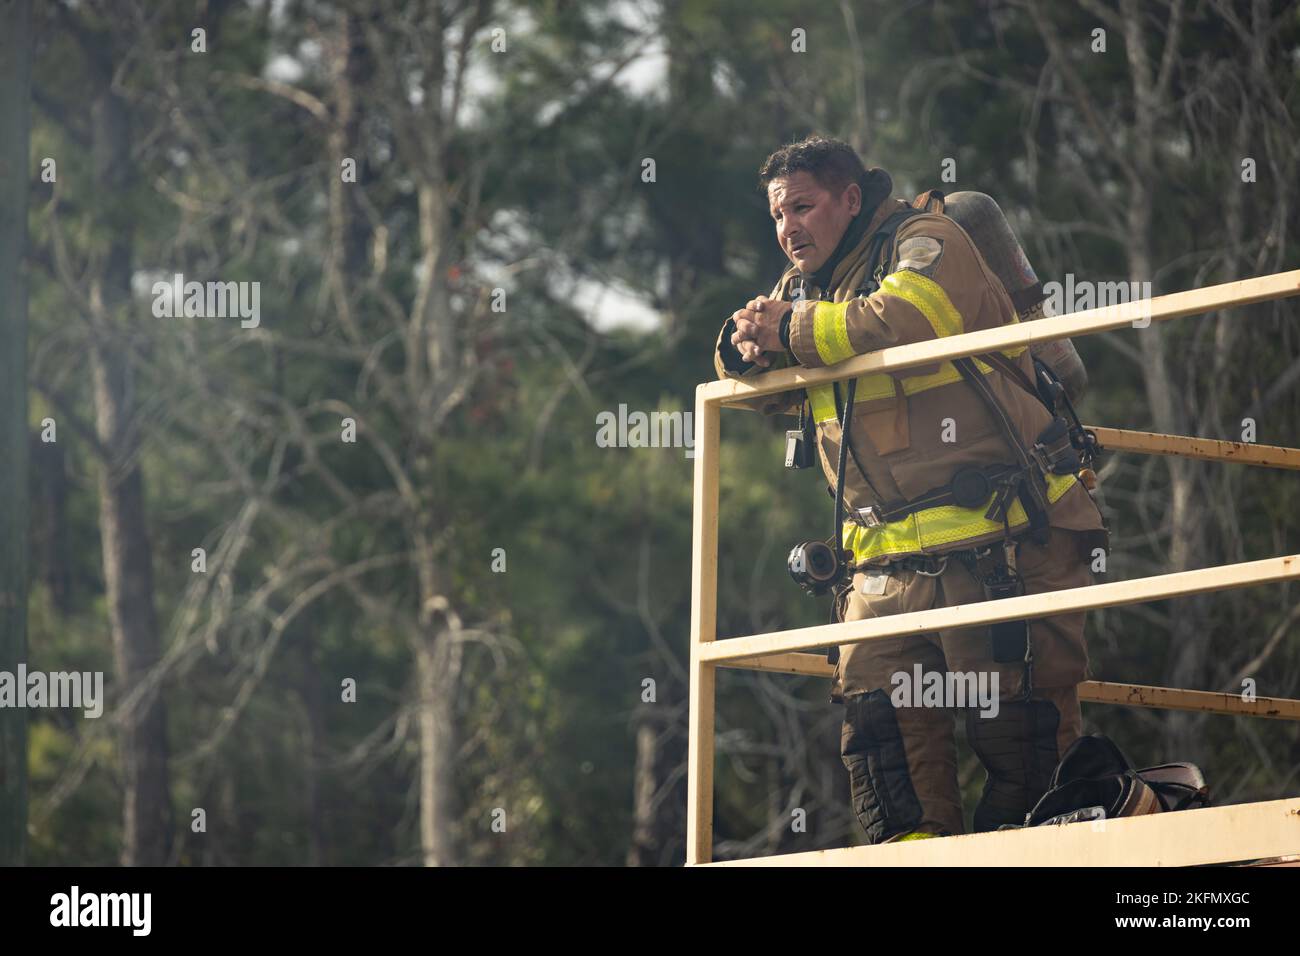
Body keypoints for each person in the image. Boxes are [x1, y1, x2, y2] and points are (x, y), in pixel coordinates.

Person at [713, 135, 1107, 843]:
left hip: (1001, 553)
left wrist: (789, 331)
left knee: (1027, 775)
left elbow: (903, 318)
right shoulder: (804, 286)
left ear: (851, 199)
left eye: (803, 207)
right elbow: (746, 356)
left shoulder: (928, 240)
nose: (788, 229)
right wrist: (742, 342)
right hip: (881, 581)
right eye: (778, 216)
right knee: (892, 786)